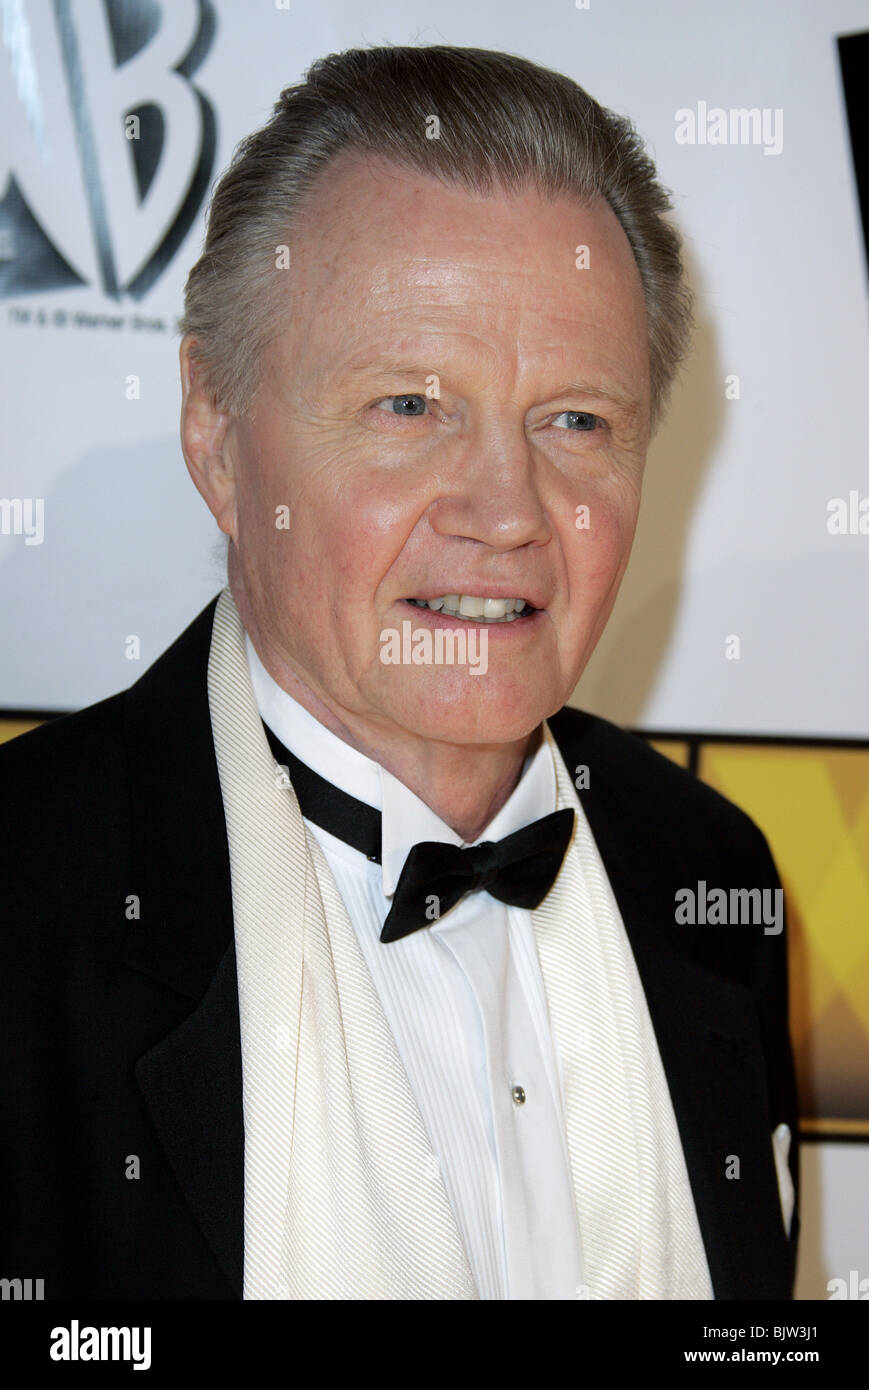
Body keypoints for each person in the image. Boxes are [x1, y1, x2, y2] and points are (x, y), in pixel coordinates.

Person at [0, 44, 798, 1300]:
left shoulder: (709, 876)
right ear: (217, 433)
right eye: (408, 407)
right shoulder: (20, 896)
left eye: (575, 420)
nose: (505, 510)